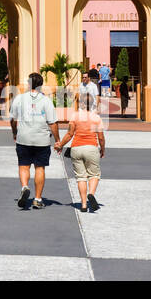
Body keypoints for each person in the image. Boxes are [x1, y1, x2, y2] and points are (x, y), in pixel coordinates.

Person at [9, 72, 60, 209]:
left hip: (23, 138)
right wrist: (58, 140)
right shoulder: (46, 101)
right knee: (40, 168)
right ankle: (37, 199)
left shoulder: (19, 99)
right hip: (41, 140)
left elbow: (13, 119)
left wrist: (15, 132)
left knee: (24, 165)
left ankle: (25, 186)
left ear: (29, 83)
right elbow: (53, 123)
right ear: (41, 85)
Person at [56, 92, 105, 211]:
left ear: (81, 103)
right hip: (91, 148)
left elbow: (69, 134)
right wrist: (102, 149)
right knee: (94, 175)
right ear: (92, 103)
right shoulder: (96, 118)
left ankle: (83, 204)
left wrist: (60, 145)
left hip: (76, 148)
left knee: (81, 177)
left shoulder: (75, 116)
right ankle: (91, 194)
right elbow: (101, 137)